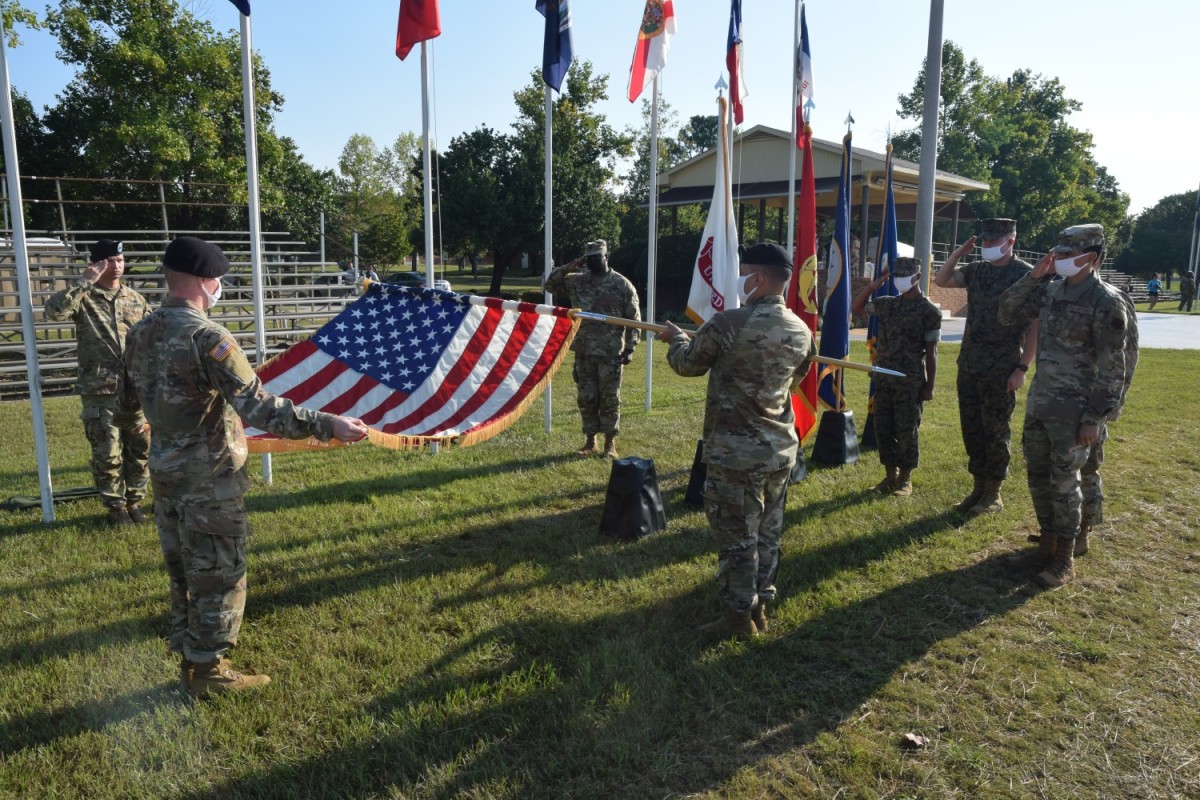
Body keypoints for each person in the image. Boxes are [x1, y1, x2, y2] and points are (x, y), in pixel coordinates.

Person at [121, 237, 369, 697]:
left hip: (166, 474)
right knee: (219, 572)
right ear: (201, 280)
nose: (219, 287)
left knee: (183, 572)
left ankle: (190, 658)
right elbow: (258, 408)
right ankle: (209, 672)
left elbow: (126, 408)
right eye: (217, 279)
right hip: (208, 478)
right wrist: (327, 423)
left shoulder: (140, 331)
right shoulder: (207, 337)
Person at [658, 243, 816, 638]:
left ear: (758, 279)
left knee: (737, 540)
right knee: (767, 533)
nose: (739, 279)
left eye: (744, 272)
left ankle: (737, 619)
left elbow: (687, 364)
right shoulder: (801, 329)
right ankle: (760, 604)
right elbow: (795, 380)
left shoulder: (730, 323)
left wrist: (676, 339)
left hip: (736, 455)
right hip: (779, 451)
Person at [998, 224, 1130, 588]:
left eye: (1071, 254)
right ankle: (1047, 543)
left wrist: (1093, 418)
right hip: (1041, 402)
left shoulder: (1105, 302)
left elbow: (1112, 368)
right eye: (1060, 252)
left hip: (1075, 413)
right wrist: (1033, 277)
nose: (1062, 259)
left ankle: (1064, 559)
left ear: (1092, 257)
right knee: (1038, 477)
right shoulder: (1052, 290)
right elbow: (1006, 311)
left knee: (1065, 483)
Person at [44, 239, 153, 526]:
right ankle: (116, 508)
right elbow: (54, 311)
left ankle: (135, 501)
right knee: (107, 451)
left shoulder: (136, 299)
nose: (116, 266)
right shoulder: (84, 297)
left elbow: (152, 336)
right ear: (95, 264)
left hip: (135, 387)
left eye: (120, 260)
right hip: (100, 387)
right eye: (109, 261)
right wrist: (84, 283)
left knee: (140, 447)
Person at [933, 218, 1037, 515]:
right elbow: (940, 281)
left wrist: (1022, 368)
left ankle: (993, 493)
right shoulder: (976, 271)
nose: (988, 247)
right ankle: (978, 488)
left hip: (1002, 367)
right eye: (985, 242)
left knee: (995, 430)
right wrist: (956, 255)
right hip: (970, 363)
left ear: (1010, 241)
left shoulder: (1026, 276)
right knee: (972, 427)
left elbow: (1035, 328)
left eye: (994, 241)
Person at [852, 257, 941, 496]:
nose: (900, 279)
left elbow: (931, 353)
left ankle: (905, 479)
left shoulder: (929, 312)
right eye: (896, 275)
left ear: (917, 276)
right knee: (883, 427)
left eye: (905, 275)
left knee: (906, 429)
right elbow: (858, 308)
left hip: (909, 380)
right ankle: (889, 475)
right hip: (883, 377)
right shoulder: (888, 304)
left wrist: (929, 386)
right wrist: (872, 287)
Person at [544, 239, 641, 458]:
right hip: (584, 351)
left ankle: (610, 444)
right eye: (589, 259)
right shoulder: (577, 281)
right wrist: (569, 267)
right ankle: (591, 441)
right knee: (586, 398)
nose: (593, 263)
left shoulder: (621, 284)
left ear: (606, 257)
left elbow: (634, 318)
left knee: (609, 399)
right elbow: (549, 284)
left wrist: (631, 347)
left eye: (597, 258)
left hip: (611, 354)